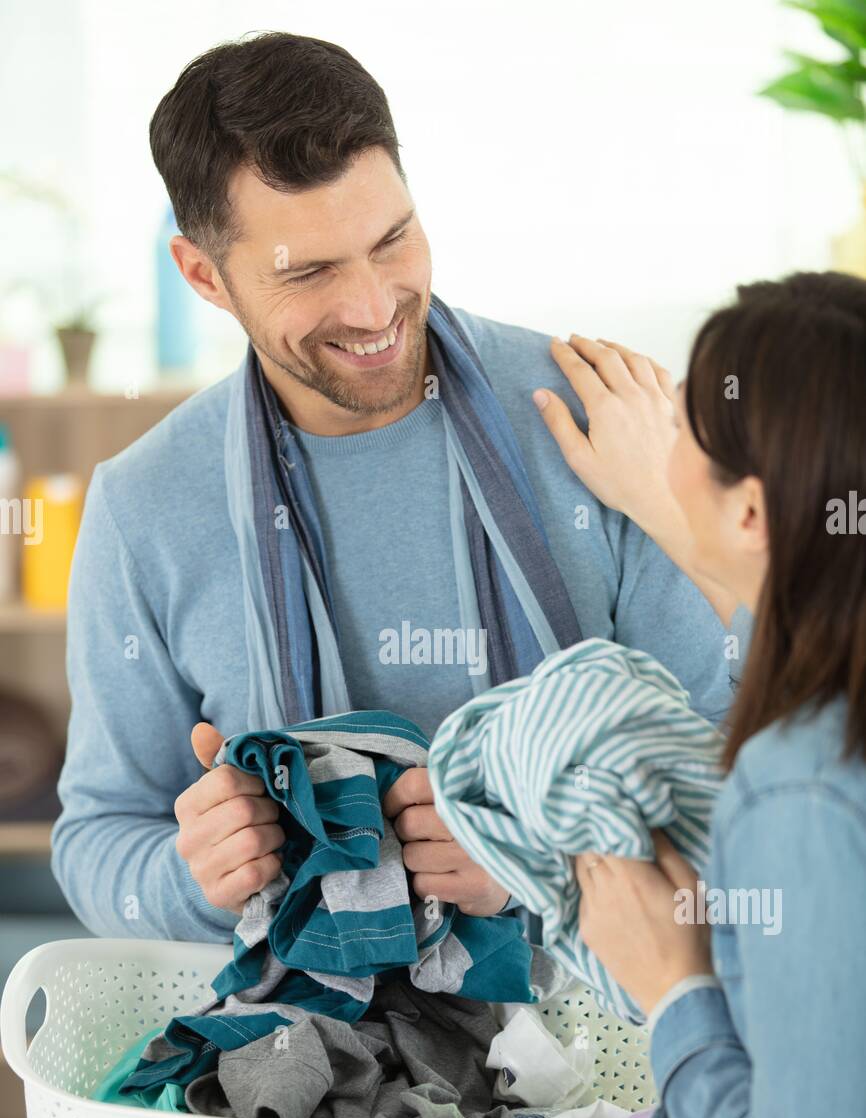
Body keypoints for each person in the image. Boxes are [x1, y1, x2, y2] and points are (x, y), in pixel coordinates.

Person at [51, 32, 736, 942]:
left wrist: (544, 859)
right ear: (204, 276)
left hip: (611, 1046)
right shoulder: (144, 506)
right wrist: (193, 876)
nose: (374, 309)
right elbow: (99, 835)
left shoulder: (603, 423)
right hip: (309, 1059)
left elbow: (740, 767)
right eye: (310, 272)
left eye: (392, 239)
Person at [533, 270, 866, 1118]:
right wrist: (685, 514)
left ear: (755, 510)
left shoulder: (799, 783)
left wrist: (672, 988)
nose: (658, 450)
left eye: (680, 424)